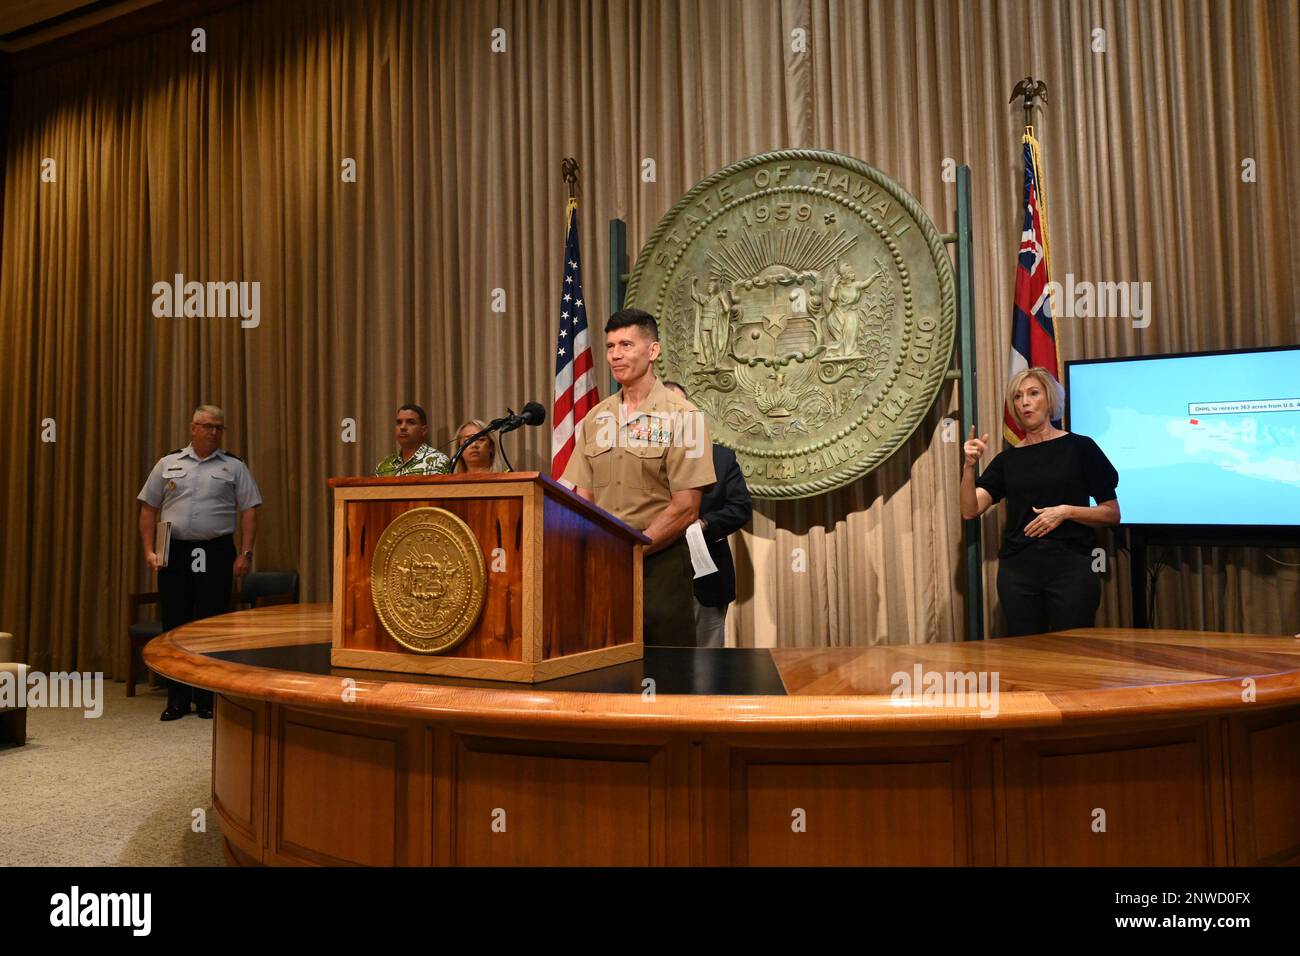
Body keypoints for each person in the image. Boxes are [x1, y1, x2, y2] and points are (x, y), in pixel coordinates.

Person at [561, 309, 716, 646]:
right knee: (602, 672)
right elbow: (583, 495)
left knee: (666, 676)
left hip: (659, 566)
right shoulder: (595, 418)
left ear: (653, 351)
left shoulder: (684, 418)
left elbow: (686, 508)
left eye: (627, 344)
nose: (616, 354)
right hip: (602, 566)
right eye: (611, 346)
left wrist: (631, 550)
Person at [961, 367, 1121, 637]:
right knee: (1026, 656)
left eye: (1033, 393)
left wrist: (1066, 512)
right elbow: (970, 510)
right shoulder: (1007, 460)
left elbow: (1112, 514)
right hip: (1018, 571)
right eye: (1018, 396)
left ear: (1050, 400)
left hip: (1071, 566)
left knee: (1074, 652)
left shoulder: (1080, 448)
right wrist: (968, 467)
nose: (1024, 402)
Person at [137, 405, 262, 720]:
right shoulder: (168, 462)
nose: (213, 432)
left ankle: (206, 698)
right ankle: (177, 699)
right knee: (174, 623)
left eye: (219, 427)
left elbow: (249, 510)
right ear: (192, 428)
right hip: (174, 551)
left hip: (216, 550)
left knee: (210, 624)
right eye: (207, 426)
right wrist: (149, 551)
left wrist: (244, 553)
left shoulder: (234, 466)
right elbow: (149, 508)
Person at [663, 381, 753, 647]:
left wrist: (703, 523)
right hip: (654, 582)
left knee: (707, 668)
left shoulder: (720, 458)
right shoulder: (638, 459)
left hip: (705, 581)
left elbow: (740, 508)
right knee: (659, 667)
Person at [374, 403, 450, 476]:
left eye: (411, 422)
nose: (402, 427)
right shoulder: (383, 465)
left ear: (423, 430)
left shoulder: (438, 460)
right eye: (399, 422)